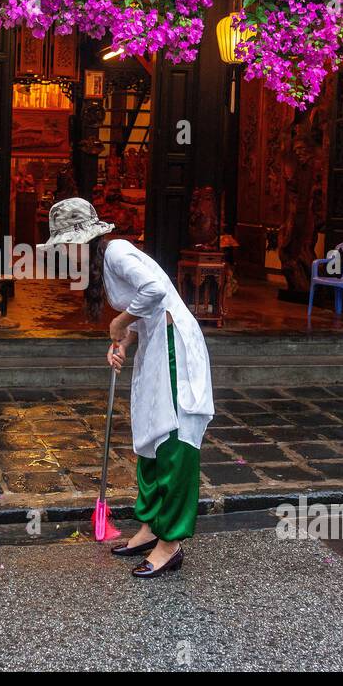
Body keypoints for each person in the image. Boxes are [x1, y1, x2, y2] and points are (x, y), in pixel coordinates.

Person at [43, 197, 214, 578]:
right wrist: (124, 341)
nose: (62, 255)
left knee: (174, 438)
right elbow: (145, 309)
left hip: (174, 348)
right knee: (150, 438)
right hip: (154, 345)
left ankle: (171, 542)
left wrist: (119, 323)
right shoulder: (105, 264)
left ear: (80, 240)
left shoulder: (117, 251)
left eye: (63, 246)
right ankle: (151, 527)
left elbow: (155, 290)